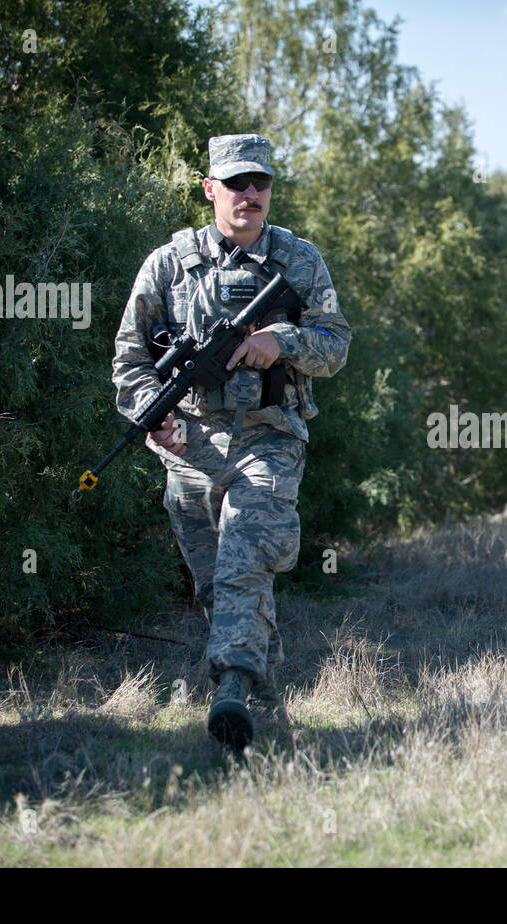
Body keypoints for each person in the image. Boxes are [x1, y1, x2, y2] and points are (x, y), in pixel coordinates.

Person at [112, 134, 351, 749]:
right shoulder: (169, 264)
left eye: (261, 183)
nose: (250, 194)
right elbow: (130, 357)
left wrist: (283, 343)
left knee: (246, 558)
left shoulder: (298, 260)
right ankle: (261, 691)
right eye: (237, 182)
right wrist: (151, 416)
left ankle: (231, 690)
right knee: (216, 583)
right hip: (189, 443)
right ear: (209, 188)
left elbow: (336, 344)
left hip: (270, 438)